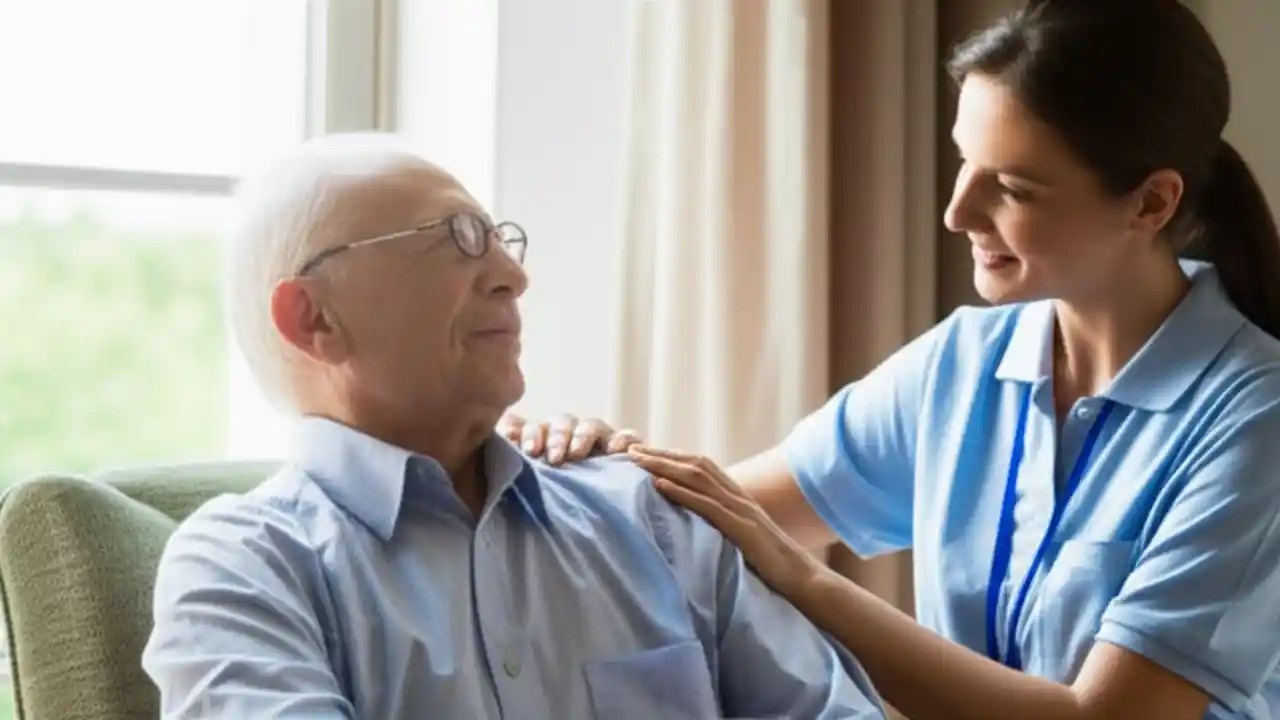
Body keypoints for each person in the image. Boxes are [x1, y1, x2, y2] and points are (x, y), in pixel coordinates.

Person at [504, 1, 1280, 718]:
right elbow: (720, 519)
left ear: (1151, 203)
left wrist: (800, 577)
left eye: (1010, 188)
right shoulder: (965, 365)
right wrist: (596, 466)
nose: (957, 212)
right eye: (962, 163)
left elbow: (1105, 718)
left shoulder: (1257, 419)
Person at [140, 134, 885, 719]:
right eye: (459, 238)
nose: (513, 276)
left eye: (501, 240)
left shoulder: (654, 515)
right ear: (315, 318)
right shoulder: (240, 569)